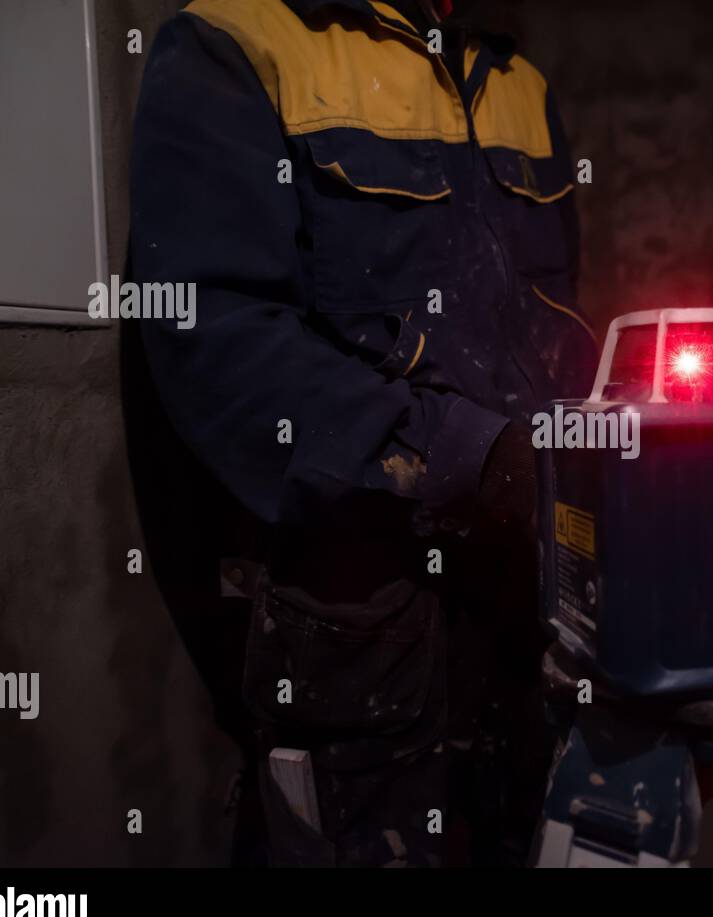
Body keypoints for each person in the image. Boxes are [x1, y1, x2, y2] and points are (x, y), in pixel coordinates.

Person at [128, 0, 597, 866]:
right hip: (360, 637)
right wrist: (471, 457)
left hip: (528, 618)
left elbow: (559, 331)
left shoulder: (516, 81)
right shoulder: (240, 41)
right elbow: (215, 336)